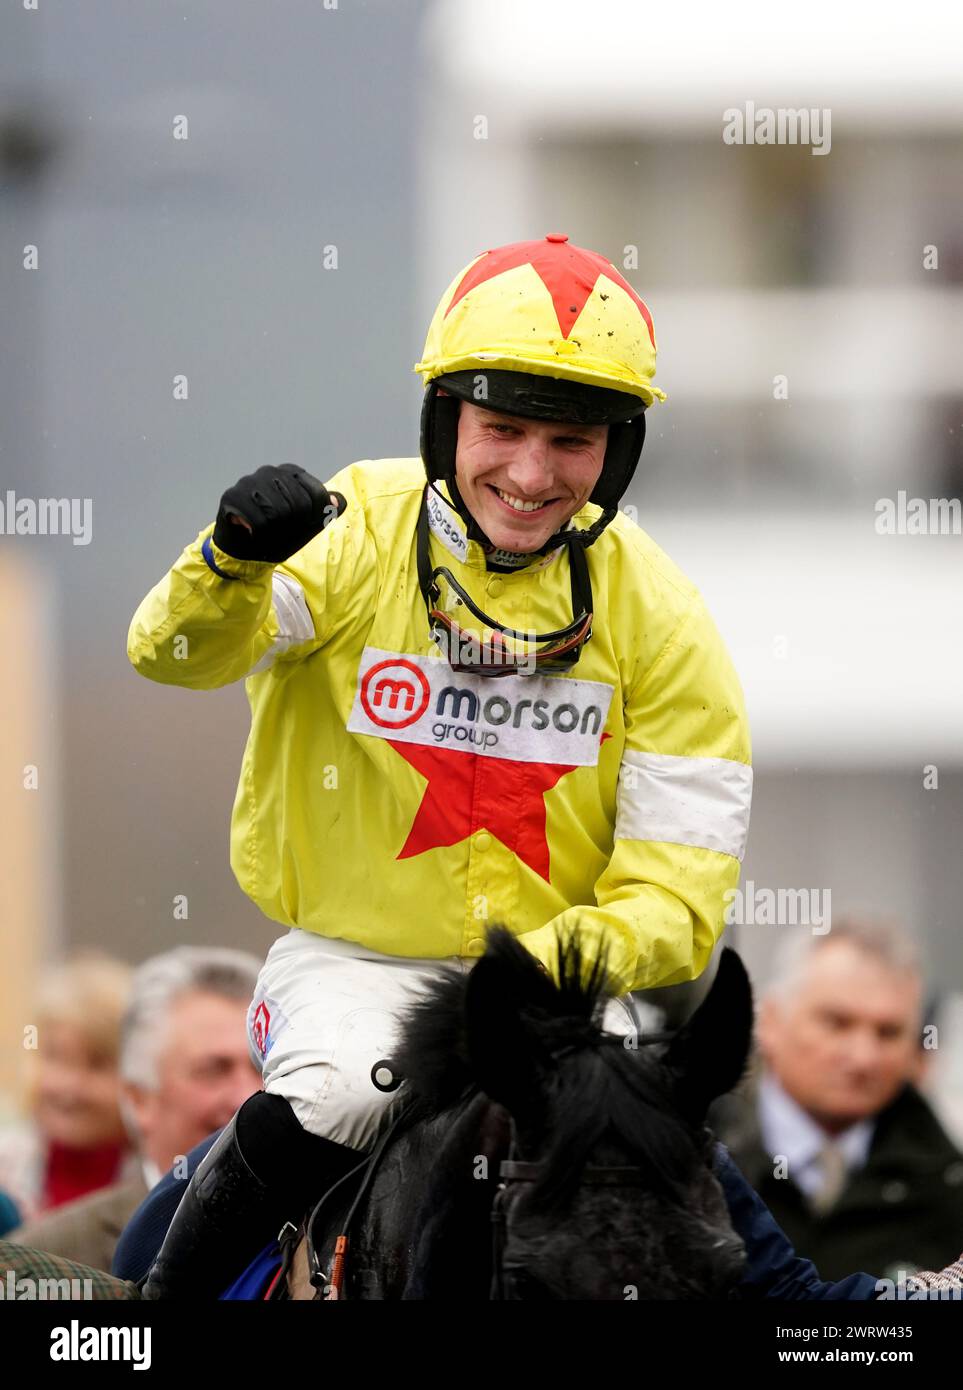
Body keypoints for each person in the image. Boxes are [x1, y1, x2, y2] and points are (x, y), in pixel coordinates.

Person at [127, 233, 754, 1298]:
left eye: (572, 441)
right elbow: (177, 655)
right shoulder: (348, 531)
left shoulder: (664, 613)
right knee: (345, 1093)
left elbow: (678, 895)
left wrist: (526, 984)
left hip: (560, 991)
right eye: (501, 428)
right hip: (359, 972)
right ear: (444, 422)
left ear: (619, 451)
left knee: (662, 1156)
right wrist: (228, 563)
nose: (530, 472)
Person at [715, 917, 963, 1281]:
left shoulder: (949, 1189)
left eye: (889, 1032)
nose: (863, 1057)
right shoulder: (684, 1156)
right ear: (769, 1021)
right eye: (837, 1023)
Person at [8, 946, 262, 1273]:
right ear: (140, 1099)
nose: (247, 1095)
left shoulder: (323, 1230)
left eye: (262, 1067)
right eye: (214, 1070)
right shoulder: (42, 1259)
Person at [0, 952, 135, 1226]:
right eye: (54, 1057)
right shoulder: (6, 1170)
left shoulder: (159, 1178)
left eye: (96, 1064)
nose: (68, 1086)